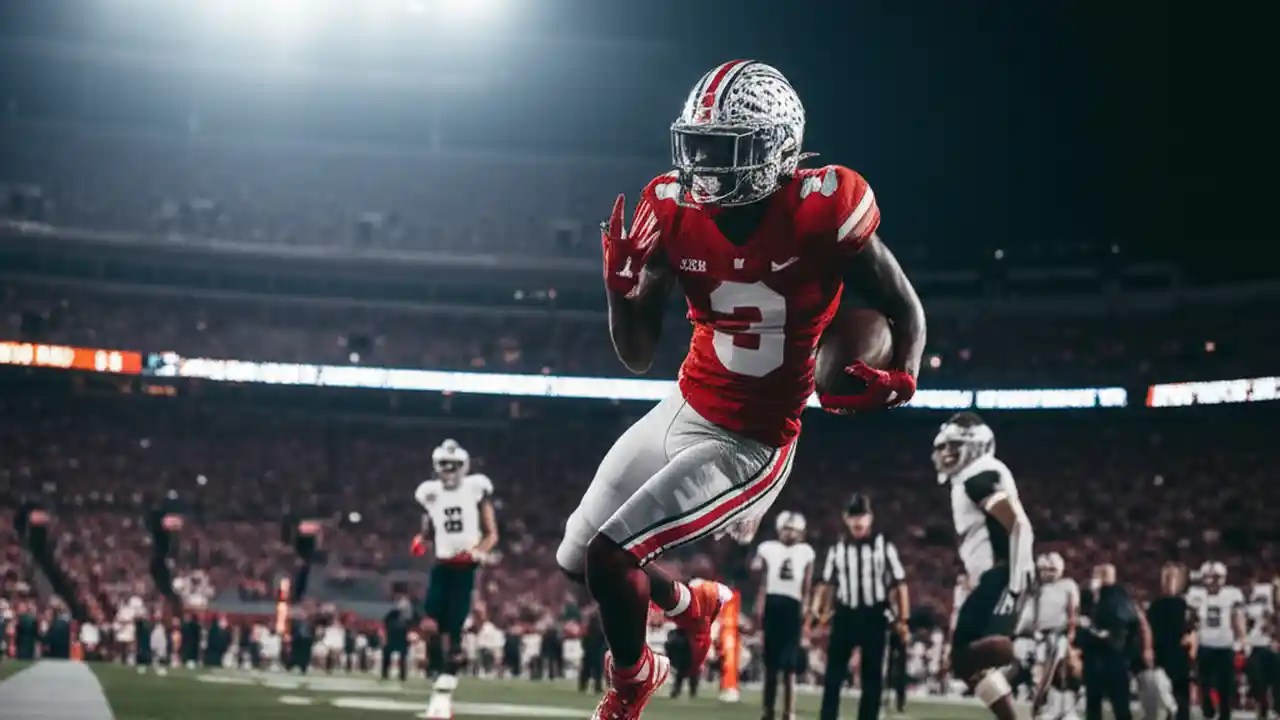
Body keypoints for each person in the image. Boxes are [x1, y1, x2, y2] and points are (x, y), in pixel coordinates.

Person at [555, 59, 927, 720]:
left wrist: (909, 370)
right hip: (684, 402)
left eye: (722, 149)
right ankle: (690, 603)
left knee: (612, 558)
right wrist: (618, 297)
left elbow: (903, 305)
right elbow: (638, 355)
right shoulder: (670, 207)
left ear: (775, 147)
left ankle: (632, 680)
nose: (702, 163)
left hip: (752, 442)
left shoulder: (824, 207)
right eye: (695, 144)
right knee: (578, 559)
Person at [933, 412, 1037, 720]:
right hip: (994, 576)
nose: (945, 453)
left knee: (974, 654)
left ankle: (1020, 663)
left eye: (954, 446)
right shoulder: (969, 478)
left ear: (976, 446)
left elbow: (1019, 526)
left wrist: (1015, 584)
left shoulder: (978, 477)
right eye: (943, 447)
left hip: (1003, 574)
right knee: (967, 663)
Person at [410, 438, 499, 719]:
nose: (448, 469)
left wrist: (478, 551)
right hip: (442, 563)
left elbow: (491, 533)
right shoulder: (430, 492)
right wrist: (421, 539)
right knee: (430, 623)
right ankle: (438, 670)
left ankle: (448, 675)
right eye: (444, 465)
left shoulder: (475, 489)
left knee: (454, 626)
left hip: (464, 568)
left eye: (453, 464)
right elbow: (430, 526)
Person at [809, 493, 909, 720]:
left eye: (862, 516)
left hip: (875, 615)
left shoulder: (884, 547)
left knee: (872, 678)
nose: (858, 522)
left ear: (870, 518)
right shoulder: (838, 549)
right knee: (833, 676)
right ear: (846, 518)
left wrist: (903, 619)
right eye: (853, 516)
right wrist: (818, 609)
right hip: (845, 614)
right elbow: (827, 583)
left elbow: (899, 584)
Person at [753, 511, 817, 720]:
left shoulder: (806, 551)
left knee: (789, 667)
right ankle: (767, 710)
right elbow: (761, 581)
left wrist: (806, 610)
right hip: (773, 604)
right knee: (770, 666)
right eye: (786, 529)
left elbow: (806, 585)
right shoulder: (768, 548)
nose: (789, 533)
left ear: (801, 532)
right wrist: (759, 606)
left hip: (793, 606)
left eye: (793, 530)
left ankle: (789, 712)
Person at [1078, 563, 1150, 720]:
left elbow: (1114, 631)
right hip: (1113, 658)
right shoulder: (1123, 599)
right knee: (1116, 704)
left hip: (1108, 657)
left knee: (1104, 704)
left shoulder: (1111, 600)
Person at [1024, 552, 1081, 720]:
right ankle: (1048, 706)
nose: (1048, 573)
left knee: (1055, 672)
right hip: (1040, 636)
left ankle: (1046, 705)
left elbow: (1072, 611)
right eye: (1045, 569)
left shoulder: (1068, 585)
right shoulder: (1037, 589)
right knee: (1041, 673)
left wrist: (1071, 633)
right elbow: (1034, 613)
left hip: (1058, 633)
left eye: (1052, 569)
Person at [1188, 561, 1246, 720]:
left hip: (1225, 645)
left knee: (1225, 687)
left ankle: (1224, 716)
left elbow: (1237, 617)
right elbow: (1191, 621)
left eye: (1217, 577)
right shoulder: (1195, 594)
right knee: (1204, 684)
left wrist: (1242, 640)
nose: (1213, 581)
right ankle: (1208, 711)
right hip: (1205, 645)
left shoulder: (1232, 594)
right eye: (1210, 577)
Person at [1147, 562, 1196, 720]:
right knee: (1162, 697)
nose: (1168, 582)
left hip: (1180, 656)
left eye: (1172, 578)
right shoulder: (1155, 605)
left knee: (1181, 696)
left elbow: (1194, 629)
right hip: (1160, 655)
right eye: (1165, 578)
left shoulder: (1186, 604)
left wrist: (1192, 641)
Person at [382, 596, 414, 682]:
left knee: (390, 654)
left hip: (395, 636)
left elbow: (386, 622)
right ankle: (401, 674)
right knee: (401, 655)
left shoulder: (393, 616)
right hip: (398, 635)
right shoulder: (403, 617)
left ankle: (386, 673)